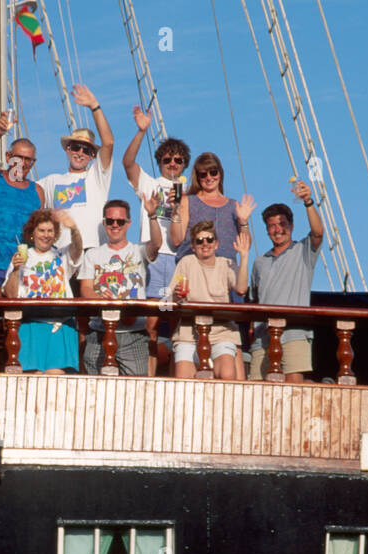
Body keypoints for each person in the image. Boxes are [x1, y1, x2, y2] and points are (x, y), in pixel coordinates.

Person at [122, 107, 189, 375]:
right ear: (159, 161)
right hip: (150, 258)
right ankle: (148, 376)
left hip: (178, 260)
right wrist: (141, 131)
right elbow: (127, 163)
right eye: (167, 160)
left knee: (176, 322)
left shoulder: (188, 191)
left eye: (178, 160)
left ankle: (174, 377)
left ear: (184, 164)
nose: (172, 164)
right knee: (149, 323)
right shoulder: (148, 183)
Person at [248, 178, 324, 383]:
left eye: (282, 224)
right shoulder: (258, 263)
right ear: (266, 230)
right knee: (257, 391)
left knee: (294, 390)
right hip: (262, 337)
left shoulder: (303, 251)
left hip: (294, 333)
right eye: (271, 225)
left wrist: (308, 202)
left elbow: (318, 232)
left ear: (291, 226)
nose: (277, 229)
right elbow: (253, 300)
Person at [77, 197, 162, 376]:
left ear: (128, 224)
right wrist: (102, 300)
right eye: (110, 221)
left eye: (120, 221)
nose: (115, 225)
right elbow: (85, 289)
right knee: (95, 391)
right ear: (104, 223)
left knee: (137, 391)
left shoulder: (138, 250)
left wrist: (152, 216)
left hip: (134, 333)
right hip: (98, 331)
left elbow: (156, 244)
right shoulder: (92, 254)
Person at [166, 220, 250, 381]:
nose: (205, 244)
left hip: (221, 333)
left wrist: (244, 257)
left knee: (227, 375)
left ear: (216, 244)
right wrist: (176, 296)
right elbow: (168, 297)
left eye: (209, 239)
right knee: (183, 381)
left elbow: (241, 289)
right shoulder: (185, 263)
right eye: (199, 241)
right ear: (193, 246)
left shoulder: (227, 264)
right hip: (188, 335)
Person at [2, 209, 83, 374]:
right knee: (31, 384)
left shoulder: (62, 255)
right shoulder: (20, 257)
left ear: (55, 234)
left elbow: (78, 248)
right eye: (41, 230)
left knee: (56, 382)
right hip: (30, 326)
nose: (46, 235)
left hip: (60, 326)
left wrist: (74, 229)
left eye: (50, 231)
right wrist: (16, 269)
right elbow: (11, 295)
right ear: (32, 233)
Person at [36, 84, 114, 250]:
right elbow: (23, 193)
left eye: (86, 150)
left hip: (92, 251)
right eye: (76, 147)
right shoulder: (50, 181)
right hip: (60, 255)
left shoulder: (97, 176)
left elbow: (108, 143)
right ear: (67, 149)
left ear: (93, 156)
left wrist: (95, 106)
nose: (80, 152)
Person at [0, 113, 43, 298]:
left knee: (15, 319)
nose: (23, 164)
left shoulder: (37, 191)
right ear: (8, 156)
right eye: (18, 158)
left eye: (28, 160)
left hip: (22, 263)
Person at [168, 153, 255, 267]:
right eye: (203, 174)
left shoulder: (234, 205)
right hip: (195, 268)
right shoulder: (188, 201)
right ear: (198, 177)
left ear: (220, 173)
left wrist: (243, 221)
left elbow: (246, 246)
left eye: (213, 172)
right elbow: (176, 240)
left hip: (226, 270)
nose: (209, 178)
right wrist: (175, 211)